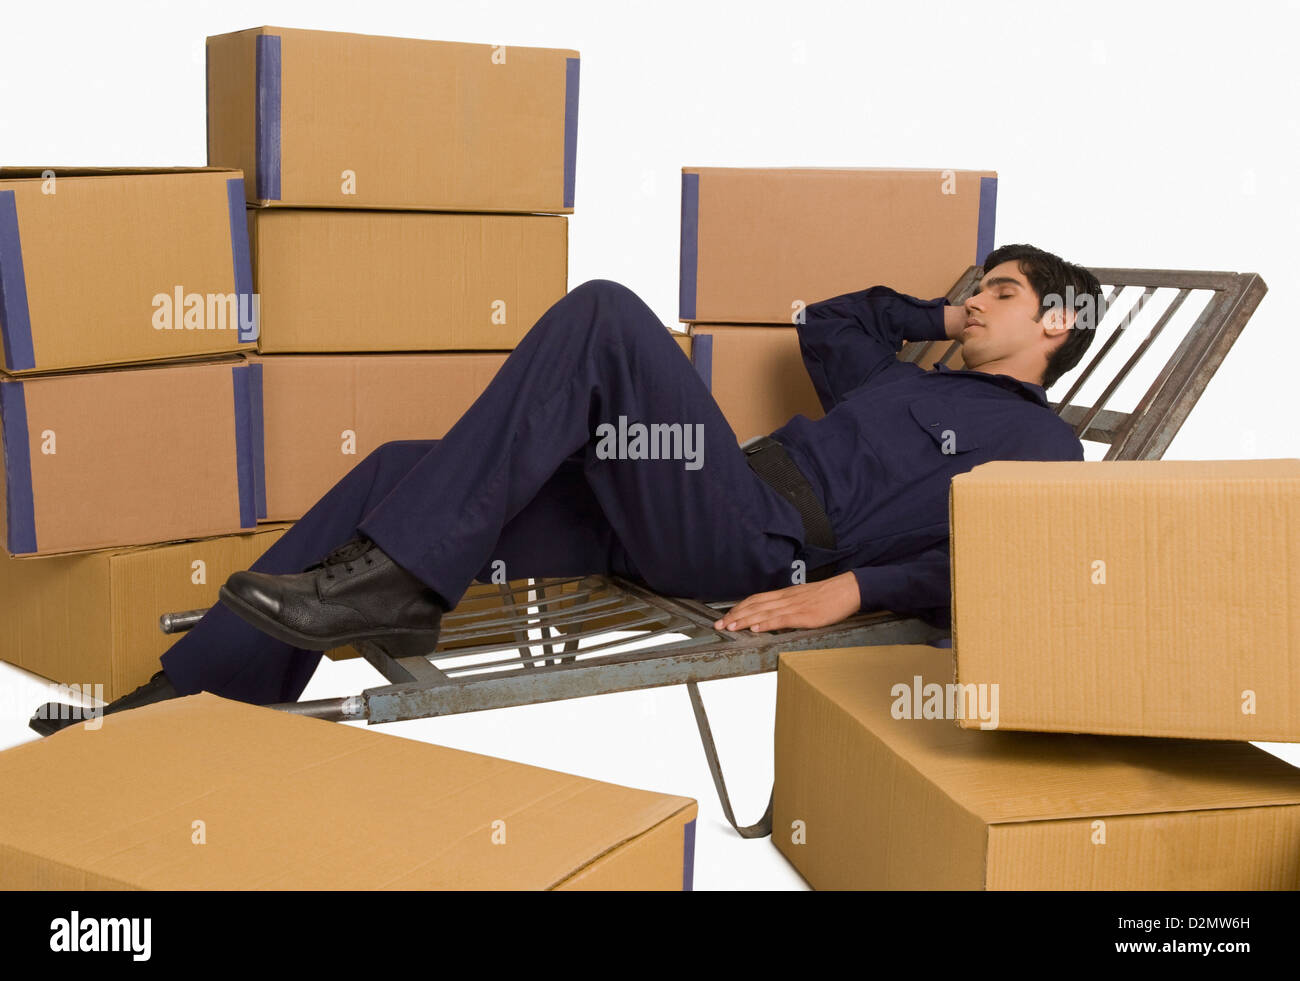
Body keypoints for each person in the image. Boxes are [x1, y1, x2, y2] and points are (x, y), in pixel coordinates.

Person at [29, 242, 1102, 736]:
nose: (973, 303)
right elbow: (833, 318)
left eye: (1000, 294)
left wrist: (851, 592)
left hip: (761, 538)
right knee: (403, 466)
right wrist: (941, 312)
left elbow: (991, 567)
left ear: (1058, 325)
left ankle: (401, 578)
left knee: (602, 311)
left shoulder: (1046, 454)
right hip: (710, 490)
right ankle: (192, 700)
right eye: (973, 288)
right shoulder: (896, 374)